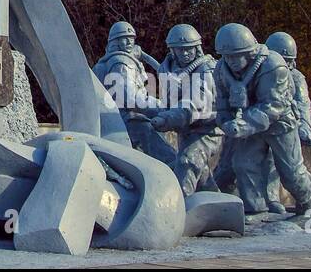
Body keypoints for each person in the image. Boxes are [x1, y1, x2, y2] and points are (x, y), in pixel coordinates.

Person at [213, 23, 311, 219]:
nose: (232, 61)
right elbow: (222, 103)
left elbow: (273, 105)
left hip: (280, 123)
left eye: (237, 55)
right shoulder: (221, 70)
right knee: (243, 164)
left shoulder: (273, 65)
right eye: (227, 56)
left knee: (290, 173)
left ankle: (307, 197)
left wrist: (243, 125)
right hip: (249, 125)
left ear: (250, 52)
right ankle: (256, 209)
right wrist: (226, 121)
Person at [148, 23, 221, 196]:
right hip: (185, 130)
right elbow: (167, 102)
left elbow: (196, 102)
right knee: (201, 174)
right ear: (172, 51)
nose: (186, 53)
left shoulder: (206, 69)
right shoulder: (168, 69)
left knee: (187, 162)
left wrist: (168, 119)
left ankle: (180, 212)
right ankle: (218, 204)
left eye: (190, 49)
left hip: (207, 129)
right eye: (180, 50)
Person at [93, 21, 177, 166]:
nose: (129, 42)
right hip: (128, 120)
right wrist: (161, 106)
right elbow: (131, 99)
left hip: (111, 121)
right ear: (115, 41)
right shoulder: (122, 63)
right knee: (169, 158)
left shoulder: (107, 62)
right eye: (124, 38)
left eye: (131, 38)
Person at [259, 32, 311, 212]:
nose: (284, 64)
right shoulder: (262, 74)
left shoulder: (296, 78)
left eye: (288, 61)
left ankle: (306, 192)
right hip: (261, 124)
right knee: (254, 162)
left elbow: (303, 103)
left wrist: (306, 128)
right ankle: (268, 199)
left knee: (287, 167)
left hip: (285, 125)